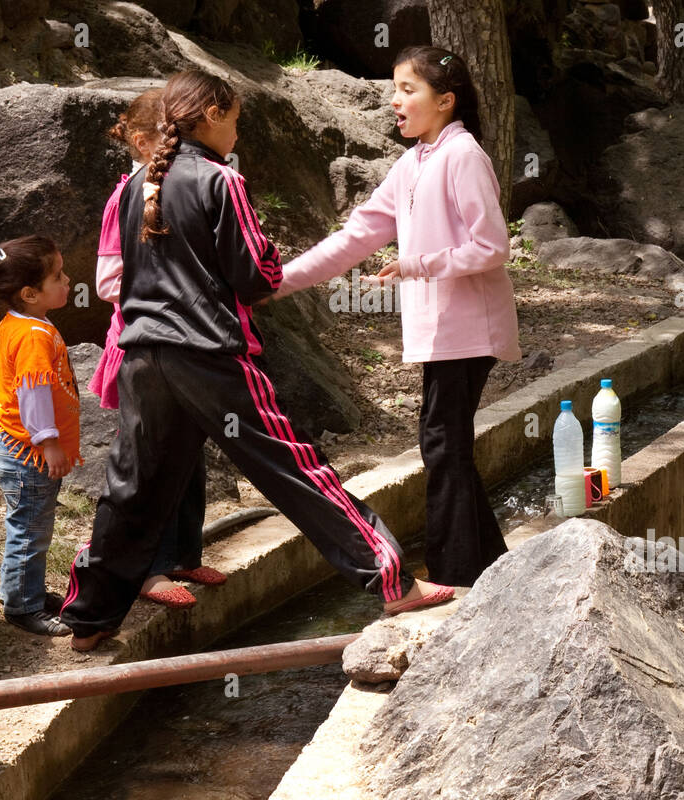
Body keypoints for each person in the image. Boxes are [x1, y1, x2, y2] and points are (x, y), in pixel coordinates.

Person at [60, 68, 453, 652]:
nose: (237, 135)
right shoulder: (221, 182)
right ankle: (392, 580)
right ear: (212, 115)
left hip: (142, 355)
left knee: (132, 487)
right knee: (296, 469)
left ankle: (90, 621)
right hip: (211, 356)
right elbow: (256, 276)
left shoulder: (137, 184)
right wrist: (267, 256)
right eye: (236, 122)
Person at [274, 46, 520, 588]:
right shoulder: (412, 163)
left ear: (445, 100)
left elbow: (493, 246)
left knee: (441, 445)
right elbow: (354, 237)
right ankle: (490, 566)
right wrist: (278, 281)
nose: (394, 101)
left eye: (408, 90)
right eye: (395, 88)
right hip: (440, 333)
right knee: (446, 445)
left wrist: (417, 263)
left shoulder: (463, 156)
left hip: (469, 328)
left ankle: (454, 574)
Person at [90, 90, 225, 610]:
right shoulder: (127, 194)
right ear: (147, 141)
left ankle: (182, 553)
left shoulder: (183, 186)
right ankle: (146, 570)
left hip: (186, 343)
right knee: (146, 460)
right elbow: (106, 281)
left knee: (188, 452)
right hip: (144, 344)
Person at [0, 236, 81, 637]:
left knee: (29, 524)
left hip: (12, 443)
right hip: (30, 453)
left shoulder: (15, 324)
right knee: (31, 528)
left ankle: (23, 588)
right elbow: (34, 391)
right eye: (58, 276)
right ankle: (22, 607)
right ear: (30, 293)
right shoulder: (33, 336)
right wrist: (48, 441)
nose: (68, 280)